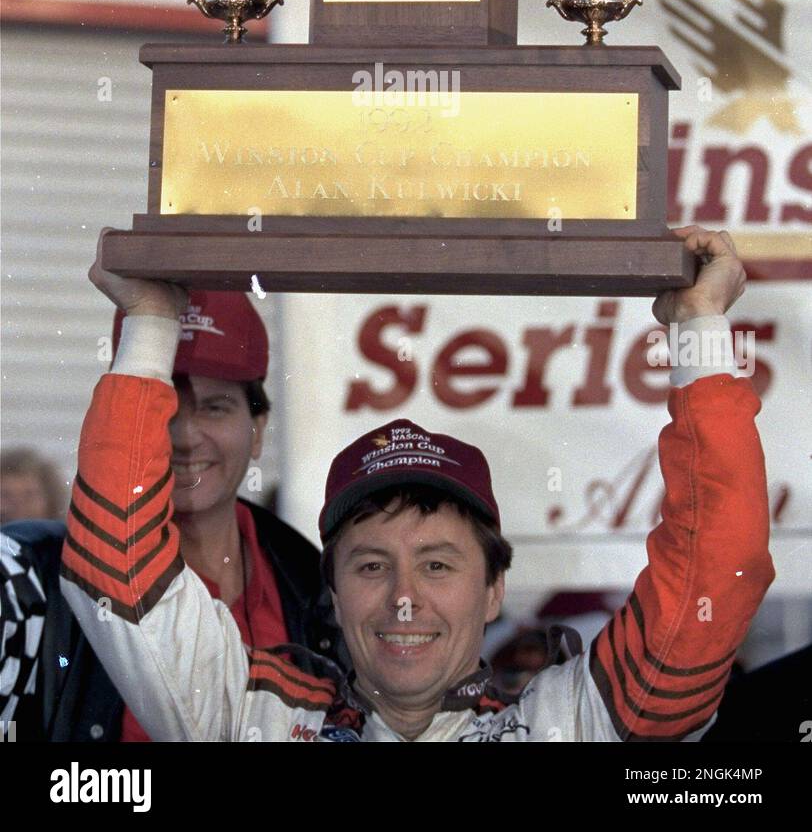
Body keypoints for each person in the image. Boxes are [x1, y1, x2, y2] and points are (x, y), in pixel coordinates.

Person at [59, 225, 775, 742]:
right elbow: (116, 567)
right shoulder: (254, 717)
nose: (405, 598)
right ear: (331, 595)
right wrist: (151, 323)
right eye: (372, 566)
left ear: (494, 590)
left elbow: (718, 568)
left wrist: (698, 329)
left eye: (437, 563)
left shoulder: (570, 722)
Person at [1, 290, 341, 741]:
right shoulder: (28, 579)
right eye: (165, 405)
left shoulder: (321, 588)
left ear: (257, 431)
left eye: (214, 407)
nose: (185, 438)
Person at [1, 447, 66, 524]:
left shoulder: (71, 534)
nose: (18, 504)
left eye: (29, 495)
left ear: (50, 500)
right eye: (6, 495)